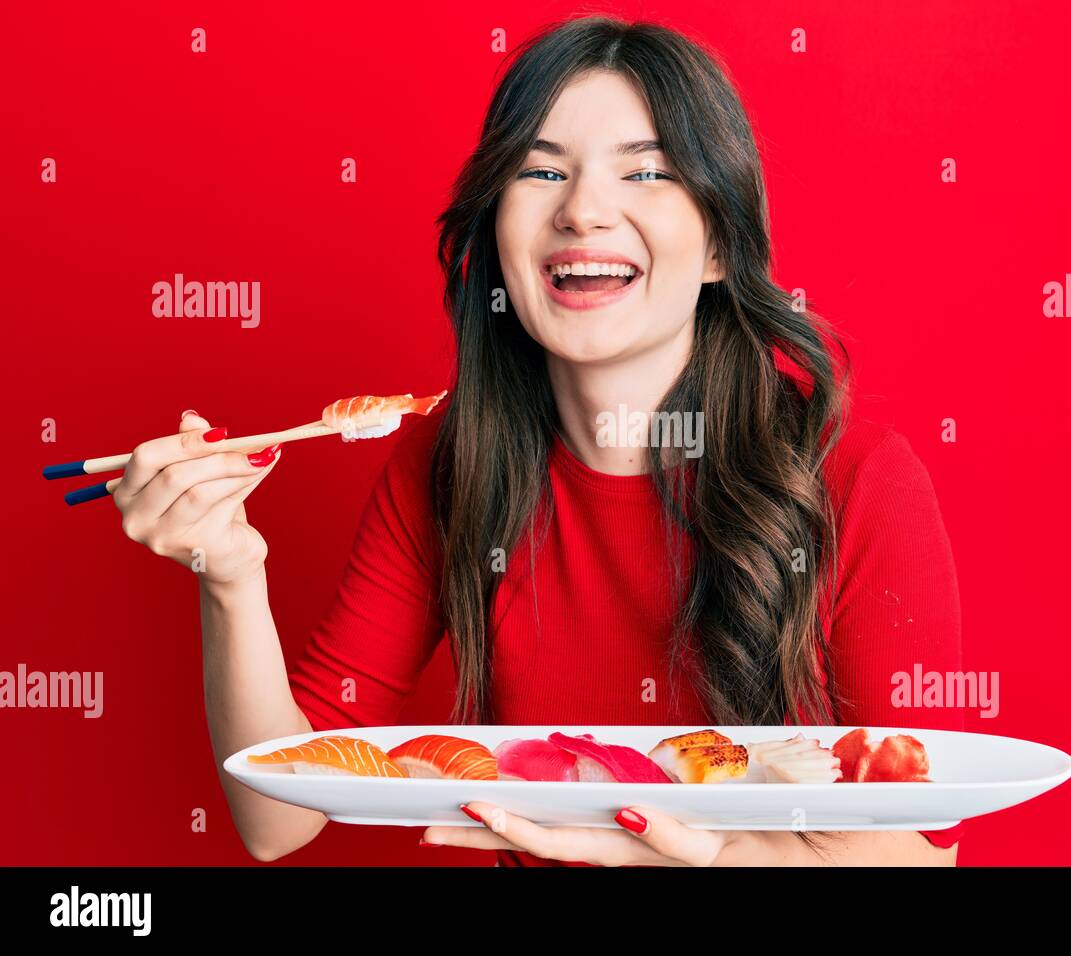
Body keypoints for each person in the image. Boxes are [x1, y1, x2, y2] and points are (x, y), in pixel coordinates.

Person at [114, 15, 965, 866]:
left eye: (648, 171)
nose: (584, 209)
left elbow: (927, 853)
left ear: (719, 246)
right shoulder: (446, 463)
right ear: (496, 231)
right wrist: (226, 571)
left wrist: (704, 859)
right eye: (543, 170)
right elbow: (276, 817)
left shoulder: (859, 479)